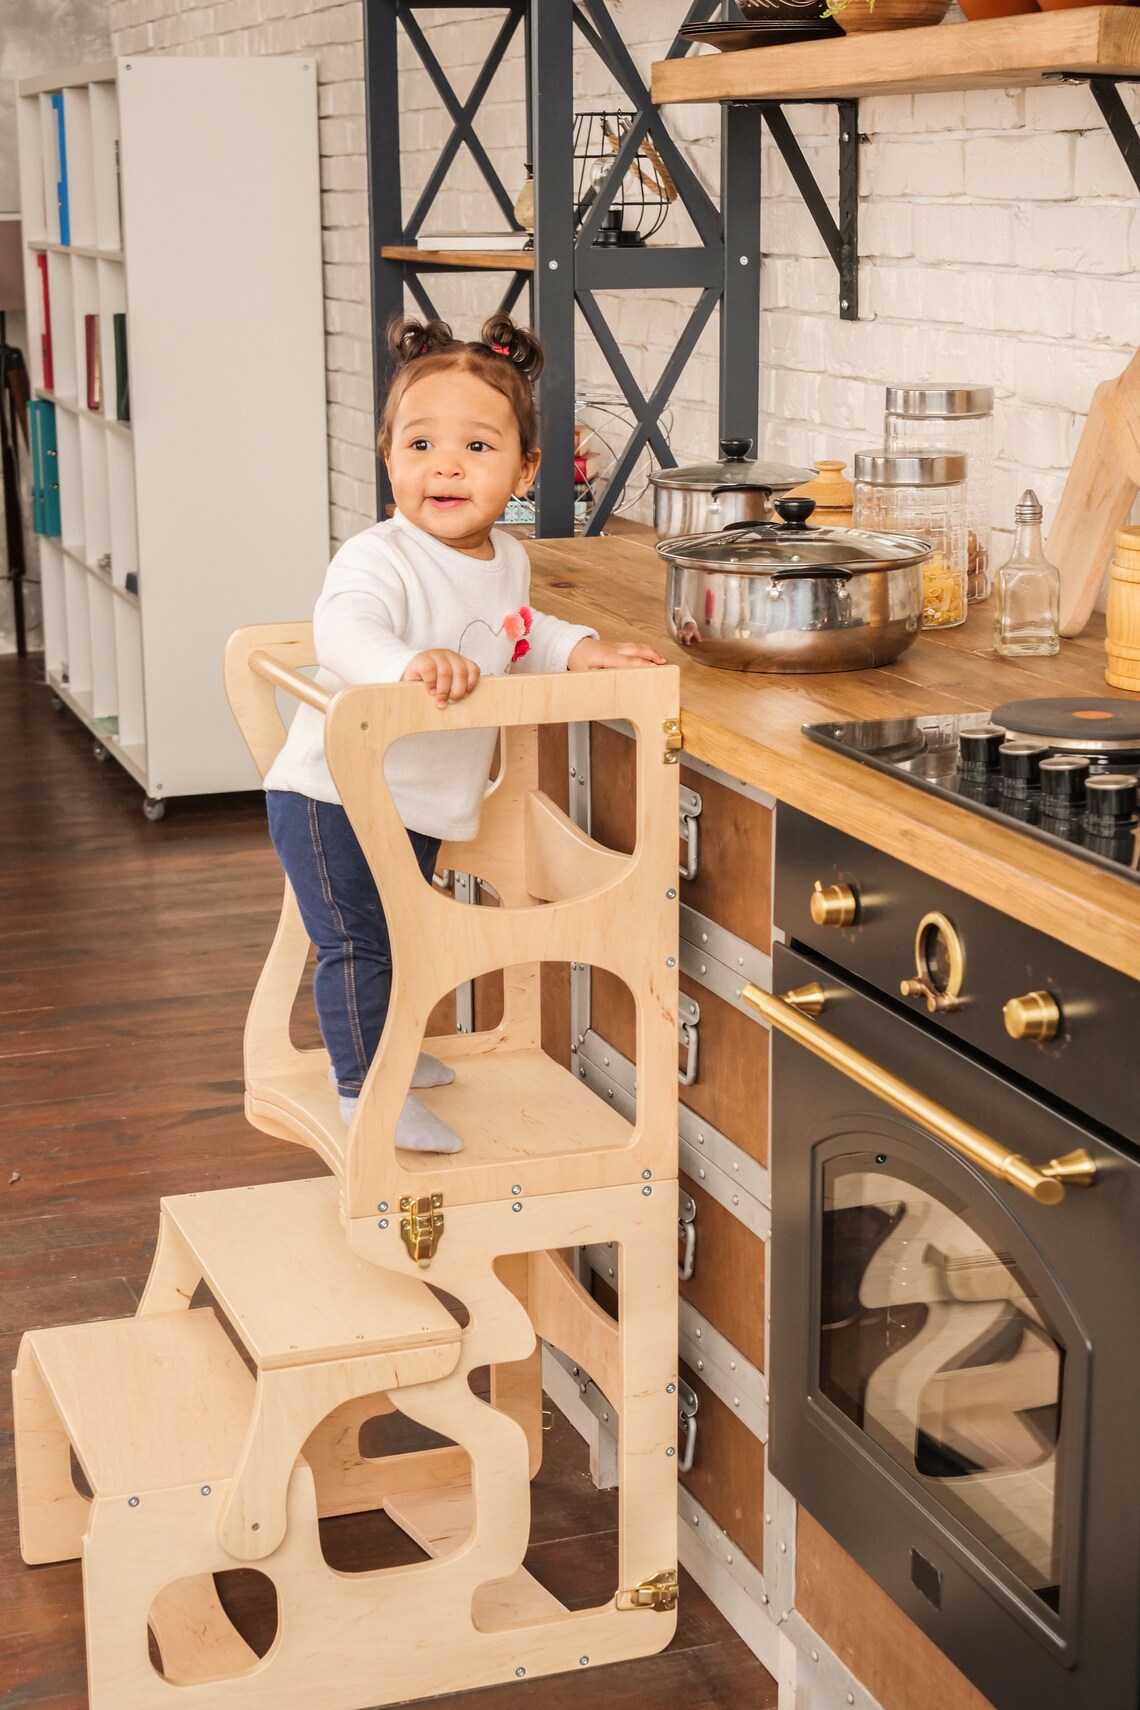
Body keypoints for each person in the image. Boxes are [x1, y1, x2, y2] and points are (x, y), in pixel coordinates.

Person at [263, 312, 665, 1153]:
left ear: (526, 470)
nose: (445, 465)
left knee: (411, 933)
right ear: (388, 461)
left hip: (417, 799)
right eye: (420, 446)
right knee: (360, 943)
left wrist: (579, 650)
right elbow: (343, 632)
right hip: (331, 793)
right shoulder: (378, 558)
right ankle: (363, 1091)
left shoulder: (506, 559)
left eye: (478, 449)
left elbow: (519, 629)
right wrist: (409, 665)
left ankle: (396, 1053)